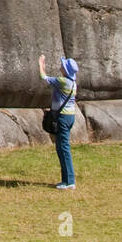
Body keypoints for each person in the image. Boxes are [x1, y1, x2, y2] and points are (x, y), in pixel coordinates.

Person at [38, 54, 78, 190]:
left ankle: (70, 181)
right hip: (69, 116)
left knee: (64, 148)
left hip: (62, 118)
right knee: (61, 147)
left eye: (63, 65)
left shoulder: (63, 81)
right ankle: (66, 180)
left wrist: (41, 64)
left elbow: (44, 78)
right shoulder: (72, 83)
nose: (61, 66)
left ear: (66, 70)